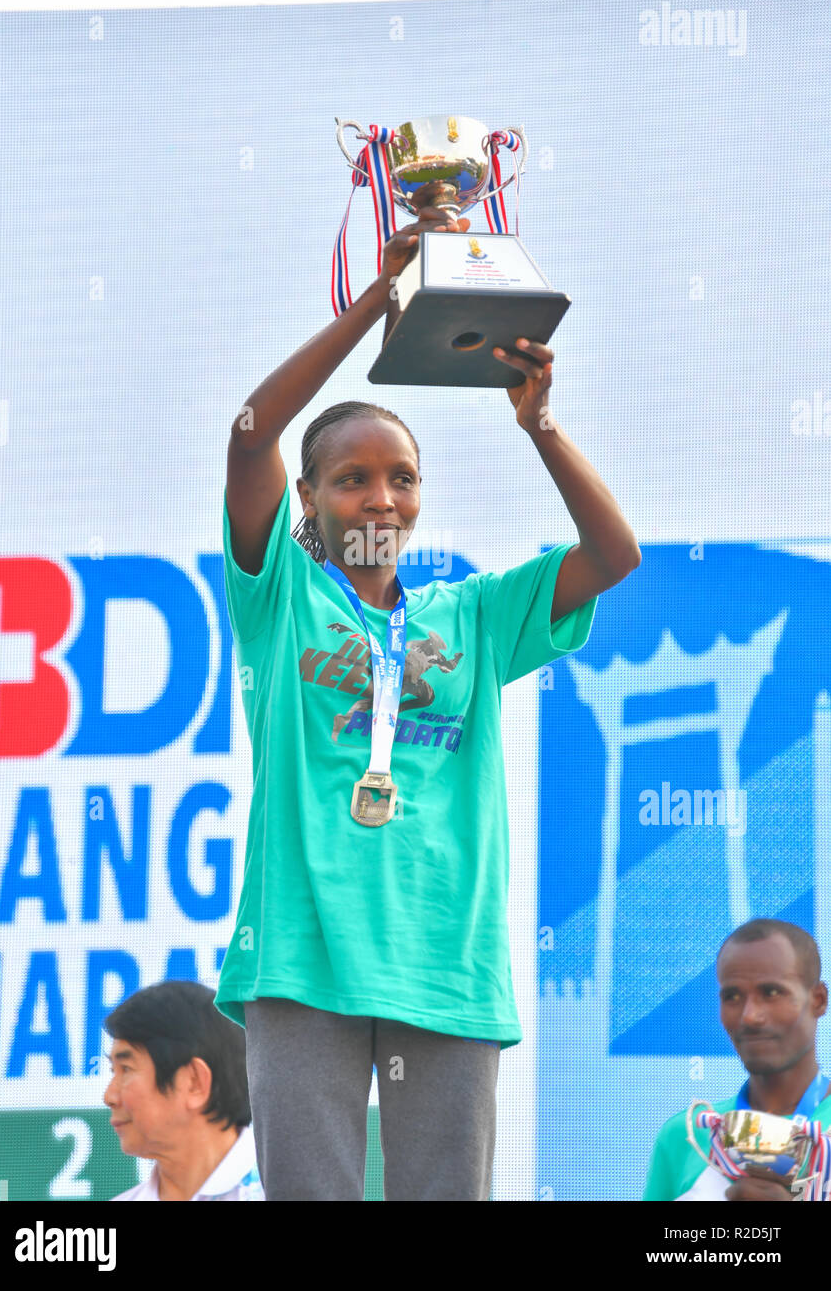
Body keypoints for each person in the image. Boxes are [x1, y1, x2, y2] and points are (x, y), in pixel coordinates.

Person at [216, 204, 641, 1201]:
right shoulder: (277, 595)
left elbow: (613, 555)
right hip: (299, 962)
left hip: (442, 961)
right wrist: (378, 303)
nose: (378, 499)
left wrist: (537, 424)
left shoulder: (477, 615)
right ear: (307, 501)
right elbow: (247, 435)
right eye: (350, 480)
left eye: (399, 479)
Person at [643, 919, 831, 1201]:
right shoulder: (686, 1137)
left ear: (818, 1000)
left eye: (771, 992)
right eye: (732, 996)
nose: (750, 1016)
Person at [104, 980, 263, 1201]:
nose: (109, 1097)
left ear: (194, 1082)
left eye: (126, 1069)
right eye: (113, 1071)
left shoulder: (291, 1191)